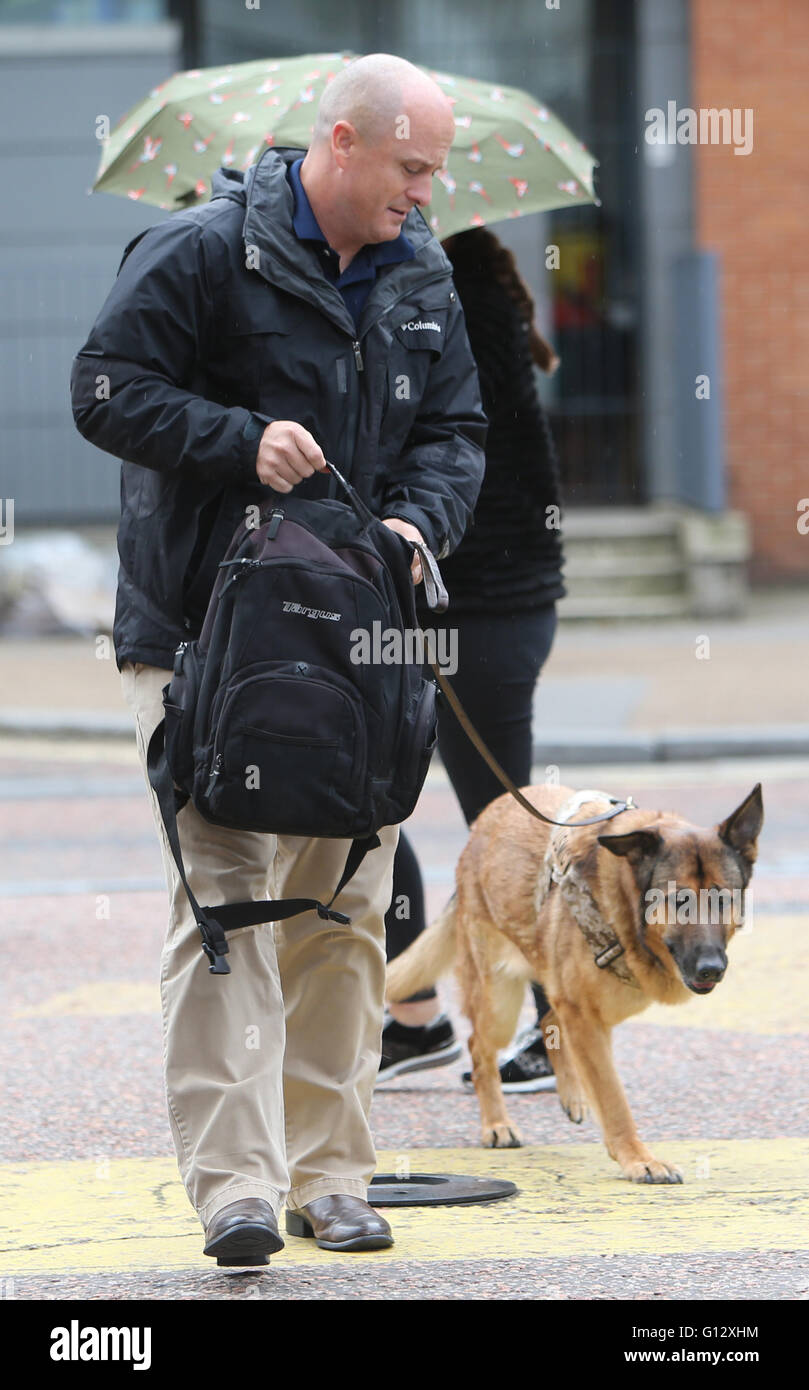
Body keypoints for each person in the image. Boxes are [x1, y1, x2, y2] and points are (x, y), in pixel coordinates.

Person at [70, 53, 486, 1264]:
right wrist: (240, 440)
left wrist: (421, 519)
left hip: (364, 633)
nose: (426, 190)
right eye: (412, 167)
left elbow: (458, 431)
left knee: (346, 913)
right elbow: (103, 388)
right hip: (205, 636)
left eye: (436, 171)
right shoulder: (199, 249)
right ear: (343, 144)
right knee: (228, 905)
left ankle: (333, 1179)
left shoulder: (424, 272)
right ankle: (235, 1192)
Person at [380, 226, 565, 1092]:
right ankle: (414, 1022)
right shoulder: (453, 297)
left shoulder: (448, 308)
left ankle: (559, 1027)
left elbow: (451, 455)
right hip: (446, 601)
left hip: (481, 605)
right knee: (366, 807)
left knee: (506, 832)